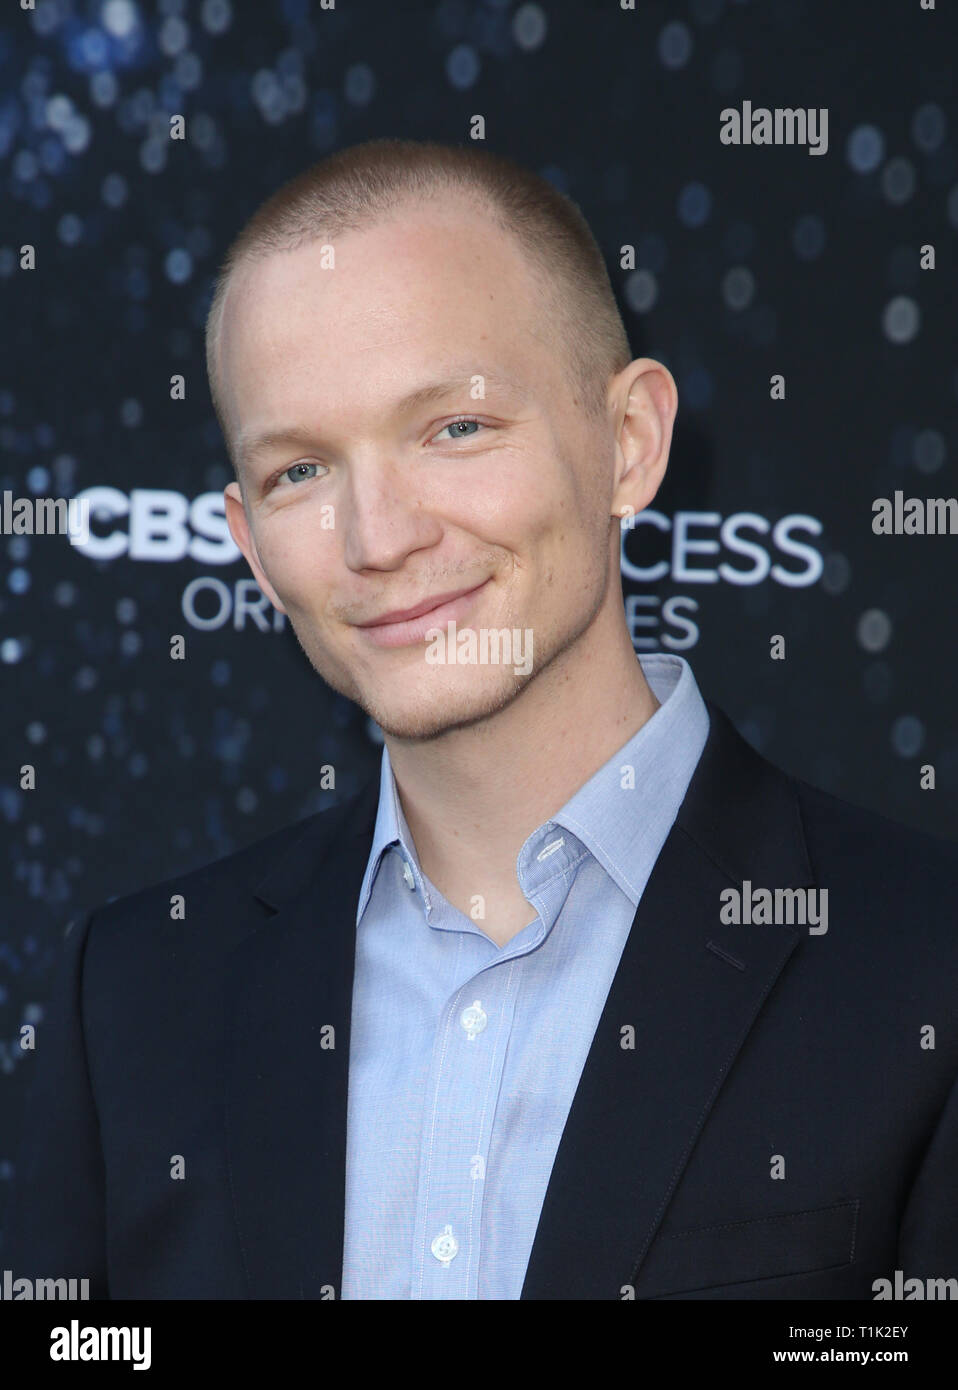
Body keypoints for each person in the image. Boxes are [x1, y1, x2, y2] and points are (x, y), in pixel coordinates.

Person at [7, 138, 958, 1300]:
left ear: (630, 443)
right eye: (300, 471)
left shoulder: (922, 966)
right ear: (249, 546)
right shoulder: (134, 995)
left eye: (453, 429)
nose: (377, 536)